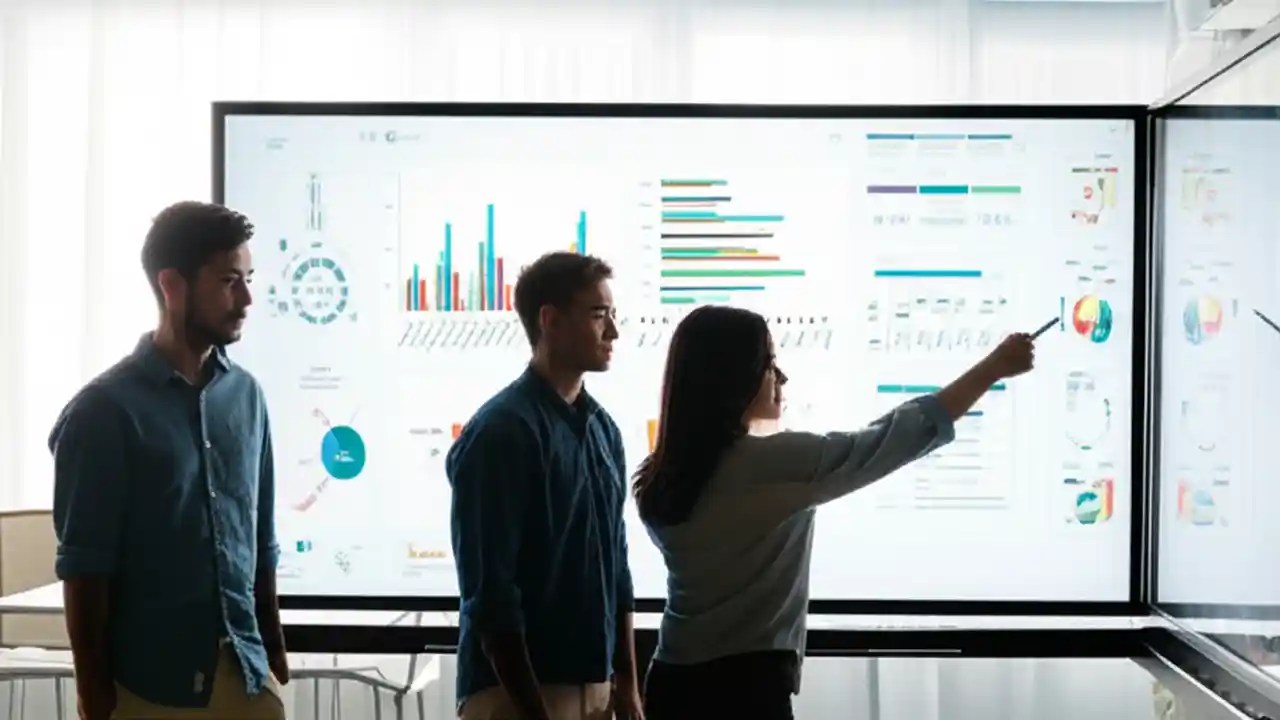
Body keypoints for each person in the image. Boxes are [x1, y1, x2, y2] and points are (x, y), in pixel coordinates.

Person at [633, 305, 1036, 720]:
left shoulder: (660, 472)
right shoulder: (770, 462)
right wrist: (993, 368)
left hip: (672, 679)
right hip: (745, 688)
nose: (781, 378)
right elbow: (892, 440)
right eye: (769, 363)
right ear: (732, 377)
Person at [49, 201, 288, 720]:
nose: (247, 298)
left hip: (247, 679)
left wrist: (273, 655)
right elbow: (85, 570)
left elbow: (260, 538)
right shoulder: (103, 413)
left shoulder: (248, 396)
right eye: (229, 281)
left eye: (248, 278)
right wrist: (95, 698)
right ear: (172, 285)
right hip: (147, 689)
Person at [446, 251, 643, 720]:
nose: (613, 331)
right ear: (550, 320)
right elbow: (491, 595)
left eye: (613, 315)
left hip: (595, 690)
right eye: (598, 315)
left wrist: (629, 684)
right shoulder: (502, 432)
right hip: (517, 696)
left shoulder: (603, 429)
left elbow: (617, 567)